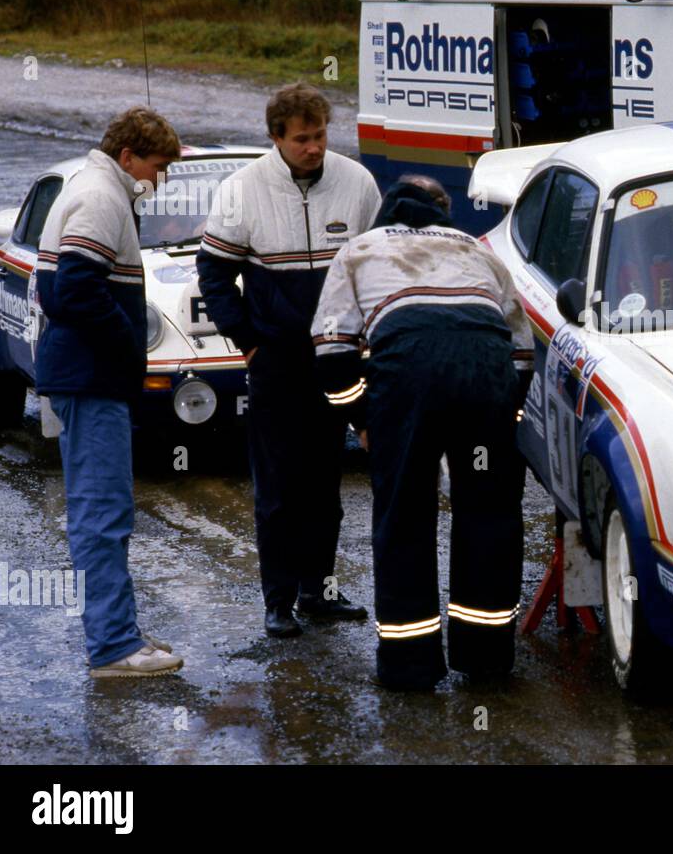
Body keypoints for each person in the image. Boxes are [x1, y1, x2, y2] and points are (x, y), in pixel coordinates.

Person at [310, 176, 534, 690]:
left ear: (387, 212)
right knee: (489, 515)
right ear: (443, 214)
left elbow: (330, 346)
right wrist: (505, 416)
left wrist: (364, 420)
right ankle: (487, 660)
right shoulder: (475, 250)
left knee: (404, 516)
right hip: (485, 371)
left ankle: (410, 667)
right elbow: (521, 348)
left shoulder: (359, 249)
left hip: (408, 375)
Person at [196, 83, 382, 638]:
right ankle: (278, 601)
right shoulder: (240, 191)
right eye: (301, 139)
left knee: (327, 485)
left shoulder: (358, 184)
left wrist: (365, 340)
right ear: (275, 137)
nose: (314, 148)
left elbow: (379, 264)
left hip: (337, 357)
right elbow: (213, 275)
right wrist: (248, 342)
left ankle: (318, 593)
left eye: (321, 135)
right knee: (278, 488)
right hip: (275, 362)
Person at [35, 106, 184, 677]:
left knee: (105, 511)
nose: (159, 179)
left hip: (89, 377)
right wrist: (128, 345)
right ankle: (114, 647)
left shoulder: (97, 187)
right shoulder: (100, 196)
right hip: (92, 378)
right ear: (127, 157)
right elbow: (72, 291)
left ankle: (117, 633)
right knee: (103, 514)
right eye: (156, 166)